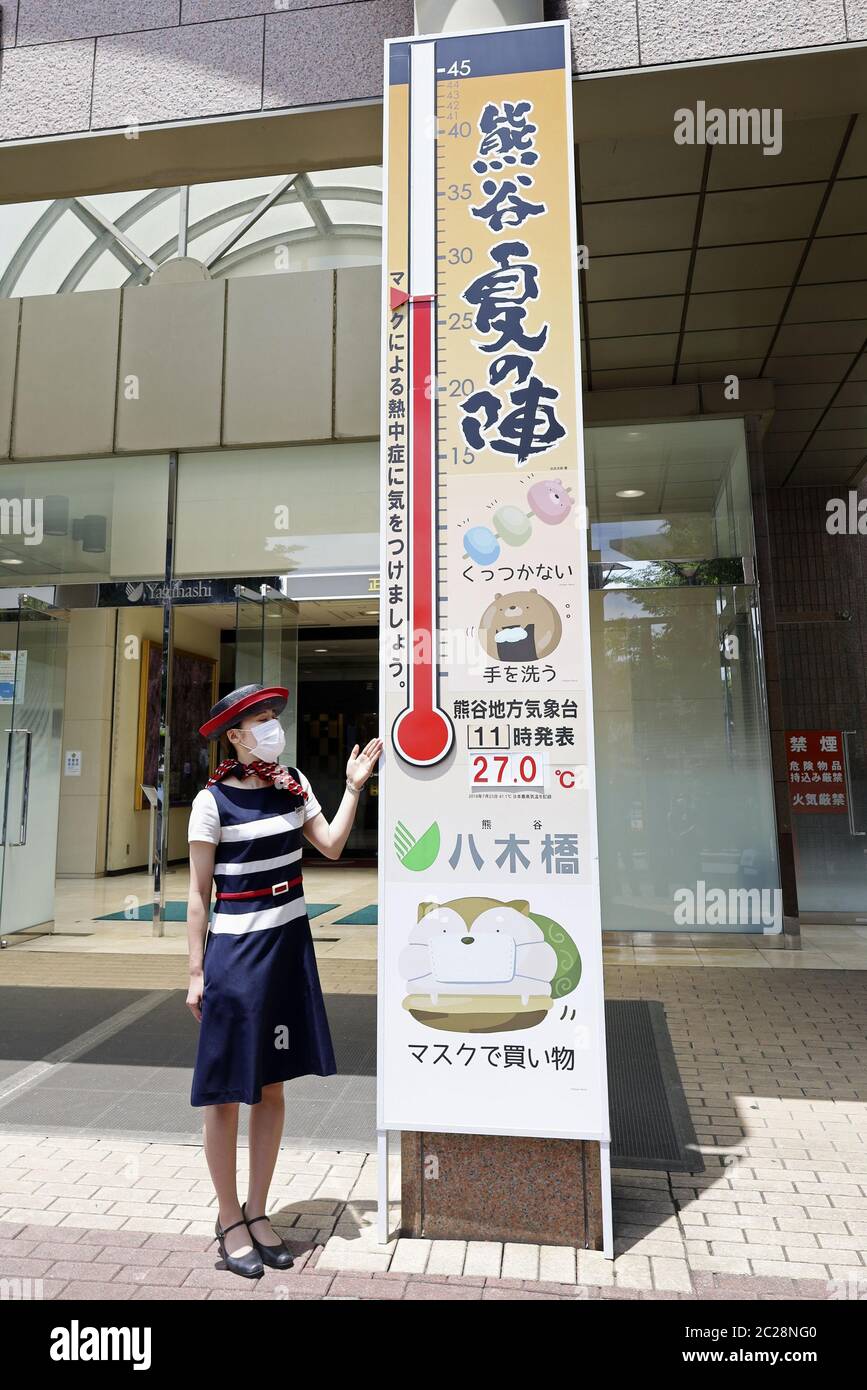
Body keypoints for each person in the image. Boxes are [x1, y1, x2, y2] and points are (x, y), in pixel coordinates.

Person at [185, 682, 382, 1278]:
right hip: (234, 958)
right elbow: (198, 896)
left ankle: (258, 1209)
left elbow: (330, 844)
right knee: (224, 1092)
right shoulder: (210, 802)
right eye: (261, 721)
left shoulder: (292, 784)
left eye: (275, 718)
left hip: (287, 953)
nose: (273, 728)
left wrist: (352, 788)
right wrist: (195, 970)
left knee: (271, 1087)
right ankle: (227, 1216)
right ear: (235, 736)